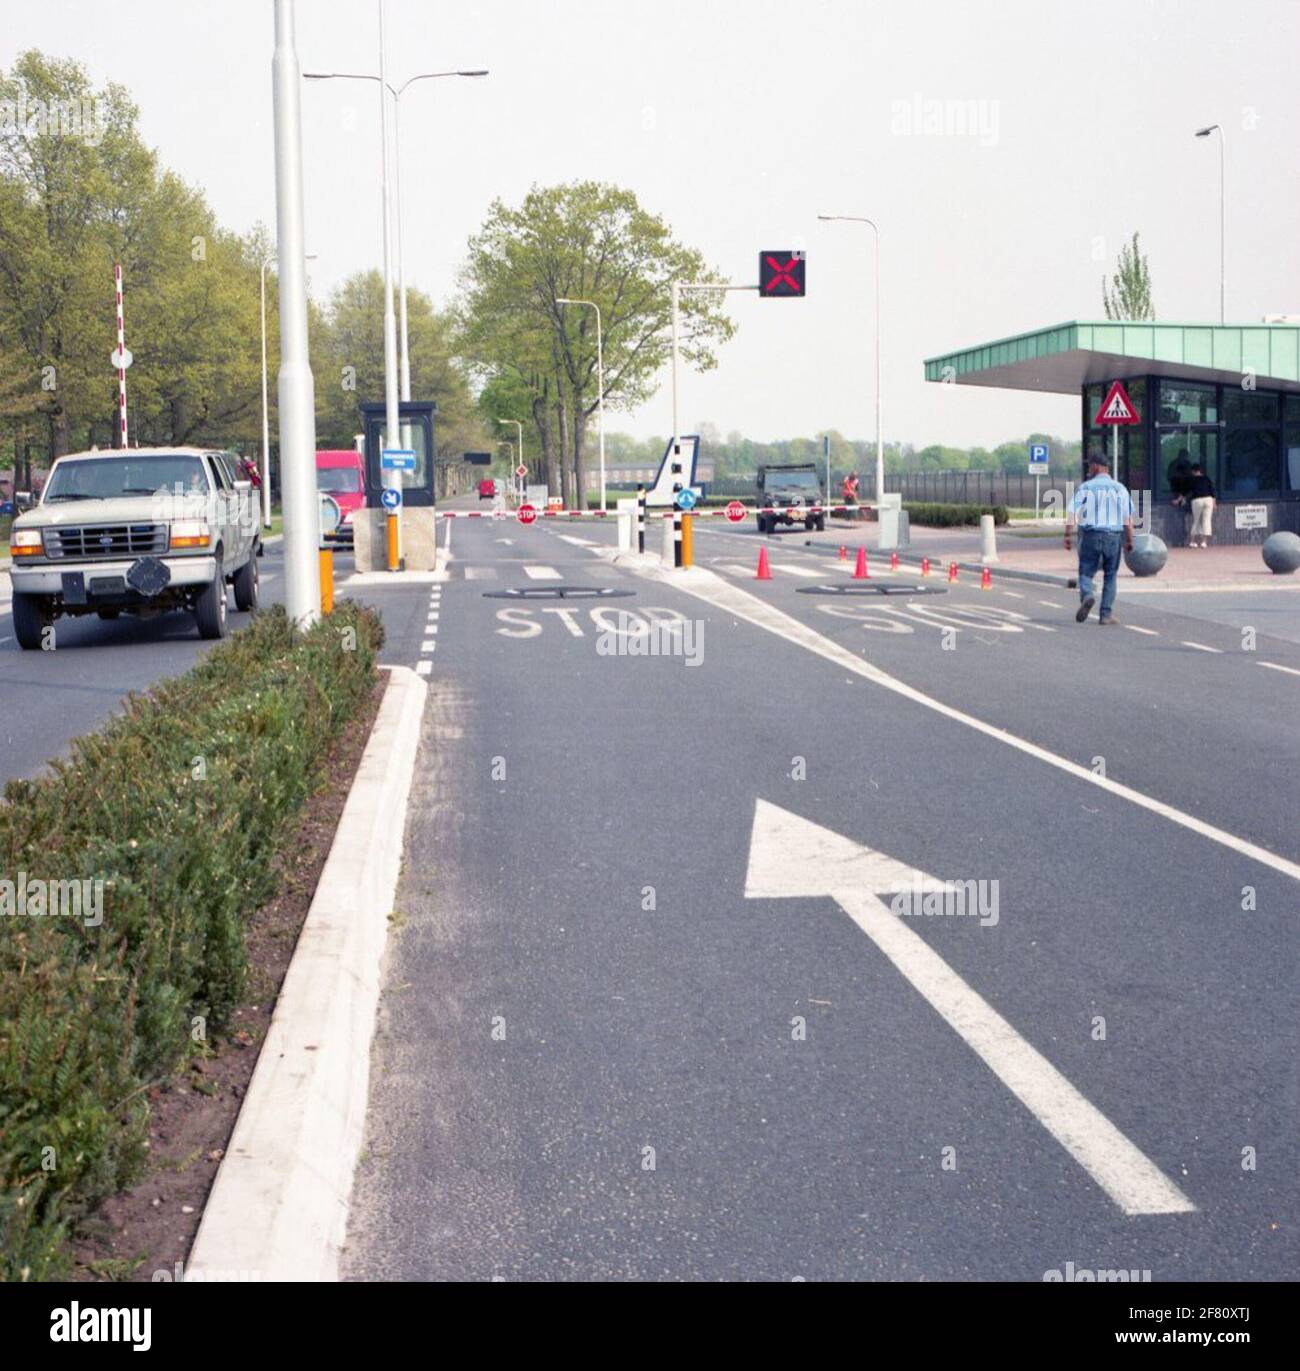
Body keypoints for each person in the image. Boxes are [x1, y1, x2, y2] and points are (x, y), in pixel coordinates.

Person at [1064, 454, 1134, 626]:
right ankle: (1105, 615)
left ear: (1097, 466)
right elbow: (1128, 519)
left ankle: (1087, 596)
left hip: (1091, 536)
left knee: (1086, 573)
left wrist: (1067, 535)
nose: (1088, 469)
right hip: (1113, 537)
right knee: (1110, 576)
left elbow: (1072, 512)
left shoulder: (1086, 487)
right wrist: (1129, 540)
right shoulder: (1120, 489)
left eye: (1089, 466)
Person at [1186, 462, 1216, 547]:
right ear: (1200, 470)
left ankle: (1192, 541)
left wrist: (1180, 499)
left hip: (1197, 500)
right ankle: (1204, 542)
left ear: (1193, 471)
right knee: (1206, 520)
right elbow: (1212, 491)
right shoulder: (1207, 478)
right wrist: (1214, 503)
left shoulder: (1192, 479)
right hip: (1208, 499)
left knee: (1196, 520)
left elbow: (1188, 491)